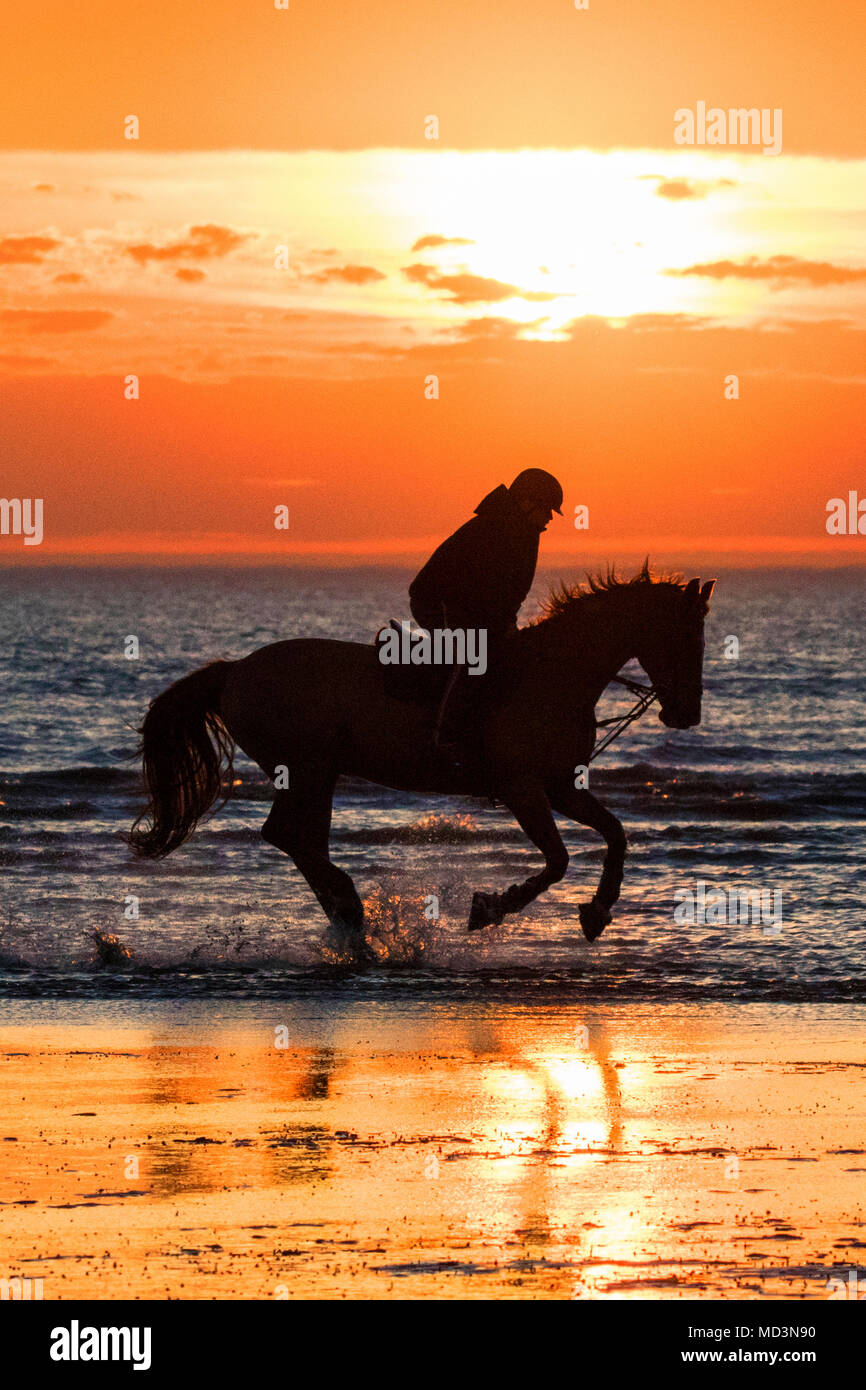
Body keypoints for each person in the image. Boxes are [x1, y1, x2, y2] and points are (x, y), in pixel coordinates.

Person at [409, 468, 563, 765]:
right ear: (526, 503)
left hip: (473, 609)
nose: (550, 518)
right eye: (546, 509)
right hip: (437, 603)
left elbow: (505, 596)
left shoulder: (524, 532)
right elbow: (472, 593)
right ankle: (445, 739)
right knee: (474, 659)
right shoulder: (491, 530)